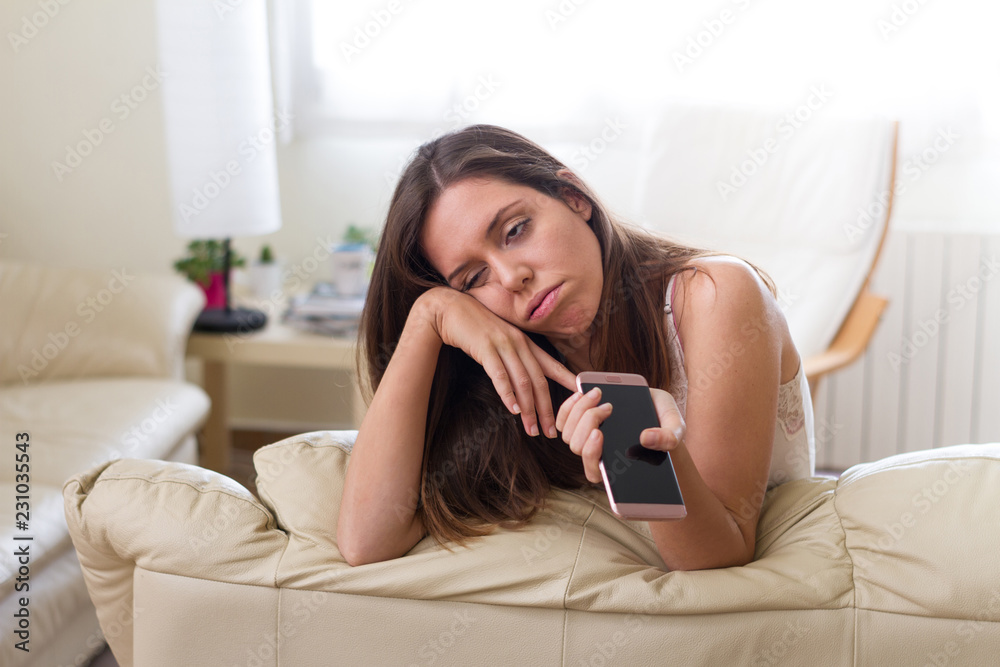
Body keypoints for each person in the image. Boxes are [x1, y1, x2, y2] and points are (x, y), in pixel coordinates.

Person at [338, 124, 814, 571]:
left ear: (574, 197)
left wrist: (646, 447)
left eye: (515, 229)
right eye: (474, 278)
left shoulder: (715, 294)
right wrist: (431, 315)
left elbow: (716, 558)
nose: (512, 277)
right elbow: (366, 542)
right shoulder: (502, 367)